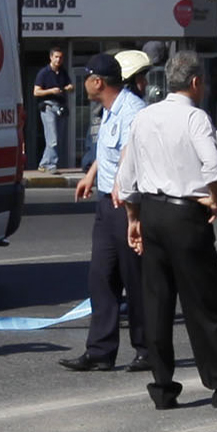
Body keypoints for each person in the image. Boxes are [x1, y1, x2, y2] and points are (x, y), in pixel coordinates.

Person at [120, 52, 217, 409]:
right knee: (203, 303)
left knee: (157, 302)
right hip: (186, 215)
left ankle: (163, 387)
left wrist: (134, 220)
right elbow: (214, 168)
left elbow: (127, 176)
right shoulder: (196, 118)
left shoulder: (144, 117)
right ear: (195, 82)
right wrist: (214, 200)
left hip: (151, 212)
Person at [59, 50, 149, 373]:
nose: (83, 83)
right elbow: (107, 152)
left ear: (98, 82)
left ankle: (147, 348)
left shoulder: (132, 111)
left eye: (86, 77)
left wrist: (121, 187)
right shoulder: (110, 109)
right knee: (101, 277)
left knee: (134, 279)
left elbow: (129, 152)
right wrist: (91, 175)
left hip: (126, 204)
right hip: (105, 203)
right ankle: (100, 350)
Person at [32, 45, 69, 170]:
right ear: (51, 58)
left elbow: (70, 86)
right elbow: (36, 92)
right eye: (56, 57)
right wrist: (51, 91)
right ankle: (50, 165)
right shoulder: (44, 73)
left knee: (57, 137)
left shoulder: (63, 72)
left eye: (60, 57)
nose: (58, 60)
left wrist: (66, 88)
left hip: (60, 106)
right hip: (48, 107)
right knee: (52, 137)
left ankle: (44, 163)